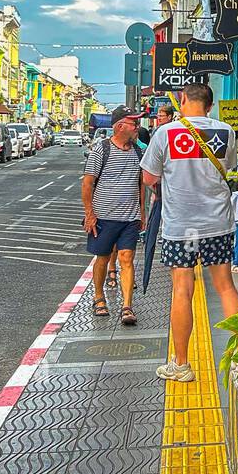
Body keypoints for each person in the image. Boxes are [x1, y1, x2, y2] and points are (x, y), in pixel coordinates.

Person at [141, 82, 238, 383]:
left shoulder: (165, 133)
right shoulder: (225, 132)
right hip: (218, 223)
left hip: (180, 225)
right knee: (226, 287)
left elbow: (149, 177)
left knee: (183, 289)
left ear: (183, 100)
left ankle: (182, 364)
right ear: (210, 106)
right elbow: (229, 168)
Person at [82, 106, 145, 325]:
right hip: (104, 217)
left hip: (130, 218)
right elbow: (88, 182)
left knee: (127, 258)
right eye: (133, 123)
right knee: (103, 258)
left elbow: (141, 184)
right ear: (119, 126)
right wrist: (90, 214)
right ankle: (99, 297)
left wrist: (142, 212)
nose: (137, 127)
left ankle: (127, 306)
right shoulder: (102, 150)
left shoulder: (138, 152)